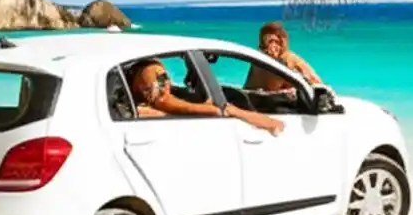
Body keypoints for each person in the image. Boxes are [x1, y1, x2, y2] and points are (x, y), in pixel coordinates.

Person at [128, 59, 285, 136]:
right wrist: (211, 109)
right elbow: (162, 99)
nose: (167, 83)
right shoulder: (151, 69)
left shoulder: (141, 107)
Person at [245, 21, 322, 92]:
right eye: (270, 41)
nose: (272, 46)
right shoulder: (260, 59)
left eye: (276, 42)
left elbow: (316, 83)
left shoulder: (291, 59)